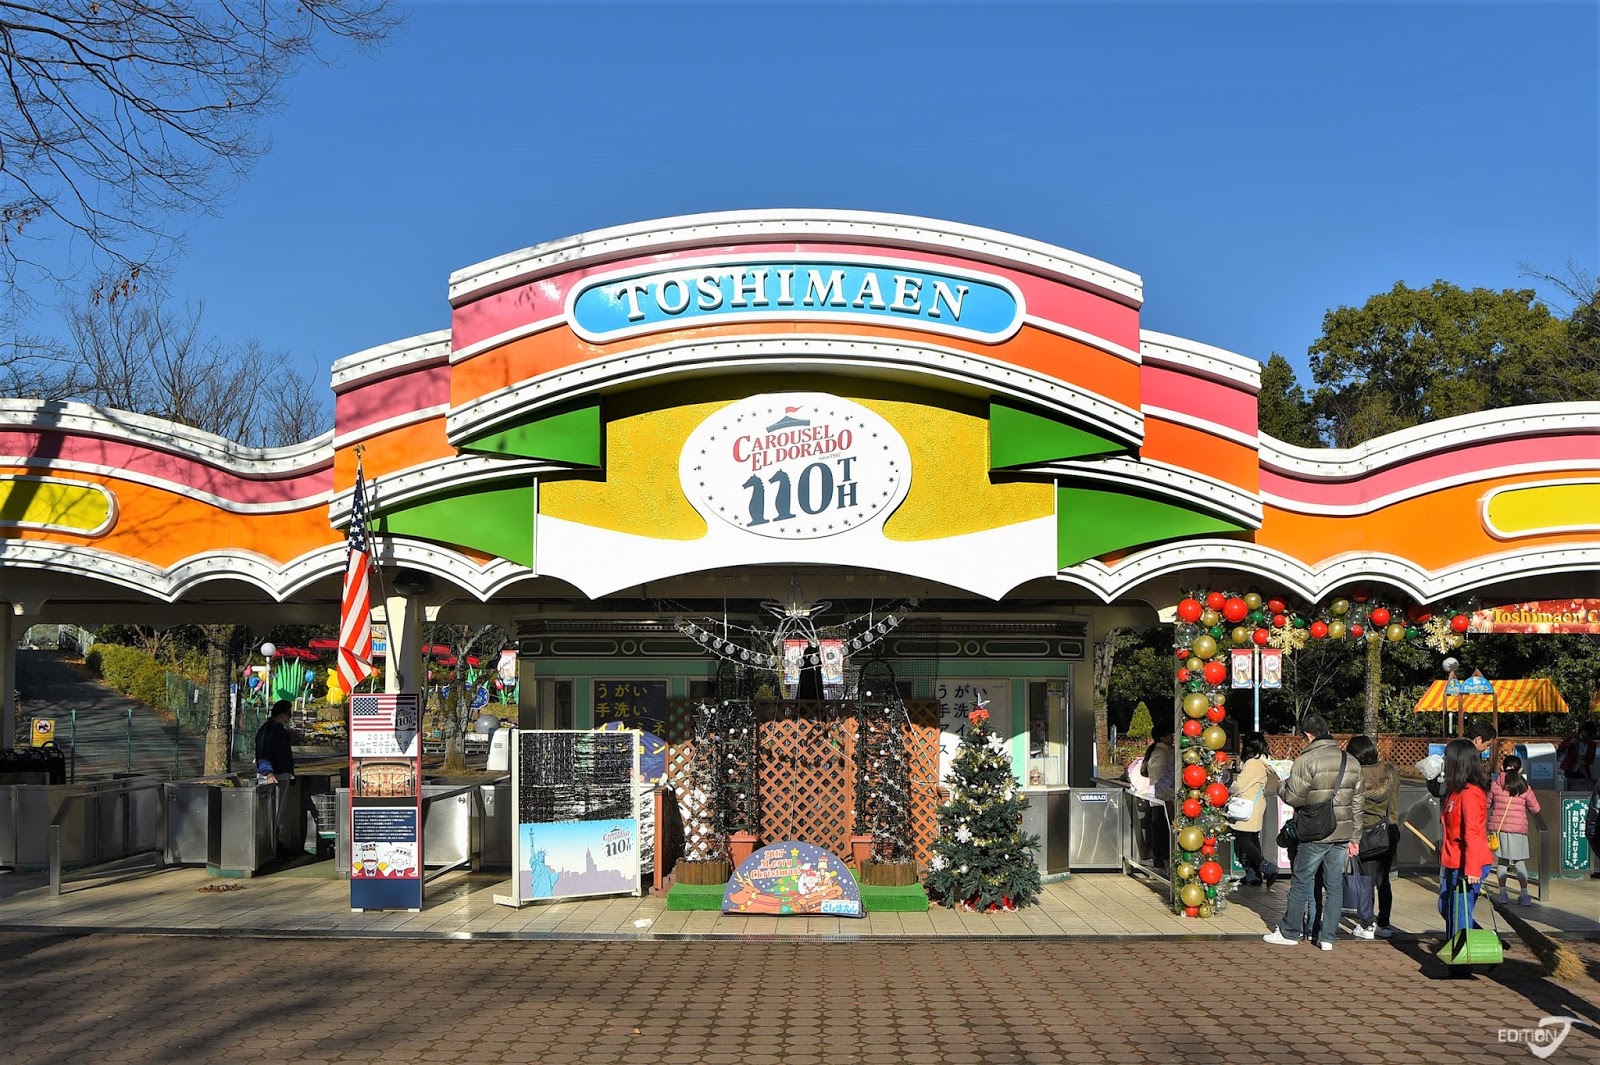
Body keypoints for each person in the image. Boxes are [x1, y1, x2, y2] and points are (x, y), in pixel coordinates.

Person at [1263, 714, 1364, 951]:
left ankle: (1290, 931)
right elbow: (1358, 803)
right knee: (1334, 885)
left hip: (1315, 830)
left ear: (1308, 735)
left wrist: (1281, 784)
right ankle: (1328, 937)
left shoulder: (1305, 760)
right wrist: (1355, 836)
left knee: (1301, 880)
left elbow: (1292, 796)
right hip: (1342, 831)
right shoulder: (1350, 761)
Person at [1438, 737, 1494, 968]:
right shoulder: (1455, 791)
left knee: (1459, 913)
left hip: (1468, 861)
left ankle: (1461, 961)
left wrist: (1471, 869)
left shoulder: (1470, 794)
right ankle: (1485, 945)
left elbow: (1471, 832)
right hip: (1454, 859)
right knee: (1446, 907)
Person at [1344, 735, 1399, 939]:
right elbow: (1393, 803)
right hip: (1388, 832)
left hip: (1363, 835)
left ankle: (1367, 924)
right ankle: (1384, 924)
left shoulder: (1354, 775)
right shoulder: (1390, 772)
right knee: (1383, 881)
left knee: (1365, 880)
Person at [1488, 754, 1540, 906]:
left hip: (1499, 829)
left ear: (1502, 768)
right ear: (1520, 769)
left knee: (1502, 862)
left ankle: (1503, 894)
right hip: (1518, 830)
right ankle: (1524, 895)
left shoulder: (1495, 784)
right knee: (1519, 863)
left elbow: (1486, 803)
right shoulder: (1524, 786)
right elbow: (1535, 808)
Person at [1228, 732, 1275, 887]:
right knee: (1253, 838)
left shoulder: (1252, 763)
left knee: (1243, 839)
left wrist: (1228, 788)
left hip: (1247, 805)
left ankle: (1266, 867)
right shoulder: (1262, 762)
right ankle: (1254, 875)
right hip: (1256, 803)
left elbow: (1240, 785)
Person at [1141, 725, 1175, 867]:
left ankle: (1159, 861)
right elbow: (1164, 778)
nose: (1172, 738)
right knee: (1164, 832)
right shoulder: (1163, 754)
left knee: (1158, 830)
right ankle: (1165, 862)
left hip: (1155, 798)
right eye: (1169, 735)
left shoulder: (1156, 751)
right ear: (1162, 737)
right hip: (1163, 798)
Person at [255, 700, 296, 784]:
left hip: (282, 773)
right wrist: (268, 772)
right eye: (289, 714)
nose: (290, 717)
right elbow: (263, 753)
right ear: (281, 715)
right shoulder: (269, 731)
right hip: (272, 775)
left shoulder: (280, 731)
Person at [1557, 722, 1595, 790]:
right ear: (1583, 731)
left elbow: (1591, 758)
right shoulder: (1573, 737)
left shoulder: (1592, 744)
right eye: (1587, 734)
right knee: (1570, 787)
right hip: (1570, 769)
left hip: (1583, 771)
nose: (1588, 737)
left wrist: (1586, 762)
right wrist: (1570, 743)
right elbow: (1560, 748)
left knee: (1583, 788)